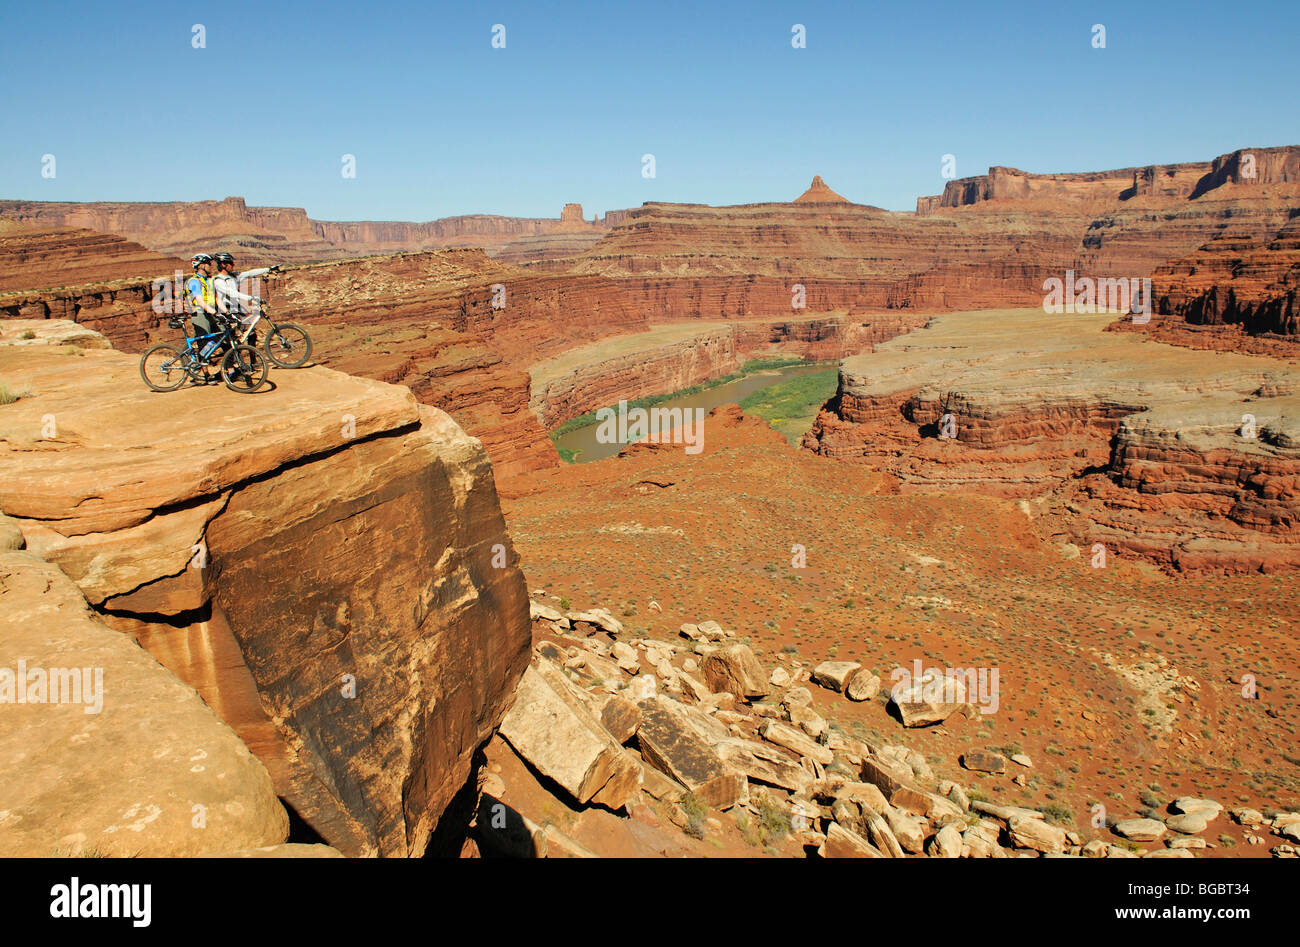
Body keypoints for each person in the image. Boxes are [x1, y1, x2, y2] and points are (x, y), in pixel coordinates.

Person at [212, 252, 278, 342]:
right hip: (226, 310)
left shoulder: (234, 276)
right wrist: (250, 298)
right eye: (231, 263)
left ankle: (252, 355)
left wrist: (268, 269)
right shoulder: (219, 281)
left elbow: (249, 273)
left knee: (251, 333)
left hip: (237, 308)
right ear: (223, 265)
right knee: (230, 339)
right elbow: (232, 293)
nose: (233, 265)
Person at [184, 253, 222, 345]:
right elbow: (200, 302)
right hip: (200, 315)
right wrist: (215, 313)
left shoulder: (209, 280)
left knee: (223, 339)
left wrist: (227, 313)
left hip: (210, 313)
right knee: (205, 344)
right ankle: (202, 359)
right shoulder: (194, 281)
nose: (211, 266)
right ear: (201, 265)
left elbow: (217, 299)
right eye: (209, 263)